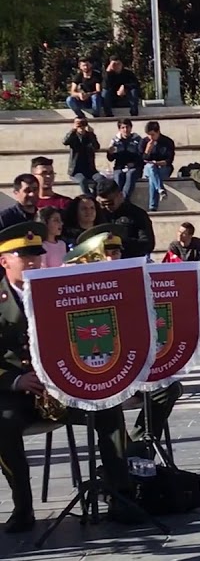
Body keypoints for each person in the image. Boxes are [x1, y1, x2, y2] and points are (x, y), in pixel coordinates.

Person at [0, 223, 139, 533]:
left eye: (37, 255)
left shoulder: (58, 292)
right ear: (4, 261)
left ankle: (122, 495)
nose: (34, 261)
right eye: (24, 256)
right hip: (17, 392)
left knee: (108, 410)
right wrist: (15, 380)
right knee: (2, 423)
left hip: (61, 386)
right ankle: (22, 507)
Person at [95, 179, 154, 259]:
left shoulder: (137, 214)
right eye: (103, 204)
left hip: (129, 261)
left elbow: (148, 244)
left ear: (120, 196)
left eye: (110, 203)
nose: (107, 206)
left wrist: (119, 241)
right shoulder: (97, 213)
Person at [142, 121, 176, 212]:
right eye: (148, 135)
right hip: (148, 169)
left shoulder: (167, 142)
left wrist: (157, 163)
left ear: (158, 132)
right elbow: (141, 160)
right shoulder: (144, 141)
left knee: (152, 178)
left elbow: (169, 160)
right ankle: (160, 189)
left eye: (152, 135)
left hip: (164, 168)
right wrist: (147, 151)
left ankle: (153, 207)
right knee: (150, 167)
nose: (150, 137)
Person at [106, 118, 144, 201]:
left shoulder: (137, 139)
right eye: (123, 127)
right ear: (119, 129)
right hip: (119, 167)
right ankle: (116, 199)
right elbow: (110, 159)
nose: (125, 130)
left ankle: (123, 200)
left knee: (130, 174)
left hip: (135, 167)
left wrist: (134, 164)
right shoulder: (115, 140)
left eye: (127, 127)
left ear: (131, 128)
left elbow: (141, 156)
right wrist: (110, 153)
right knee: (118, 176)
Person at [63, 118, 100, 196]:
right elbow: (65, 142)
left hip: (90, 170)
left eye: (83, 124)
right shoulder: (73, 136)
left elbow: (96, 147)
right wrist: (73, 130)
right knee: (83, 180)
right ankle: (89, 197)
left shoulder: (89, 136)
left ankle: (95, 196)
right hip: (76, 170)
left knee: (101, 179)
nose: (81, 127)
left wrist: (91, 134)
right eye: (79, 124)